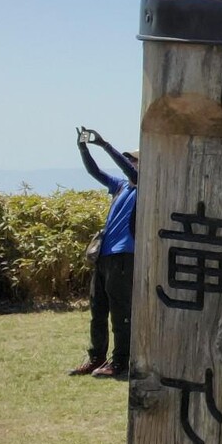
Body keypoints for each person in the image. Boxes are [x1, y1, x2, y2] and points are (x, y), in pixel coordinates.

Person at [69, 126, 138, 381]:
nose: (129, 162)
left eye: (133, 159)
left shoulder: (146, 184)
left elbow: (130, 172)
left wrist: (105, 144)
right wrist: (83, 148)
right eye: (128, 158)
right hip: (105, 256)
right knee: (98, 309)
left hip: (125, 255)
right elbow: (94, 172)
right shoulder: (120, 186)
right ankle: (96, 358)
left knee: (120, 312)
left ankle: (120, 361)